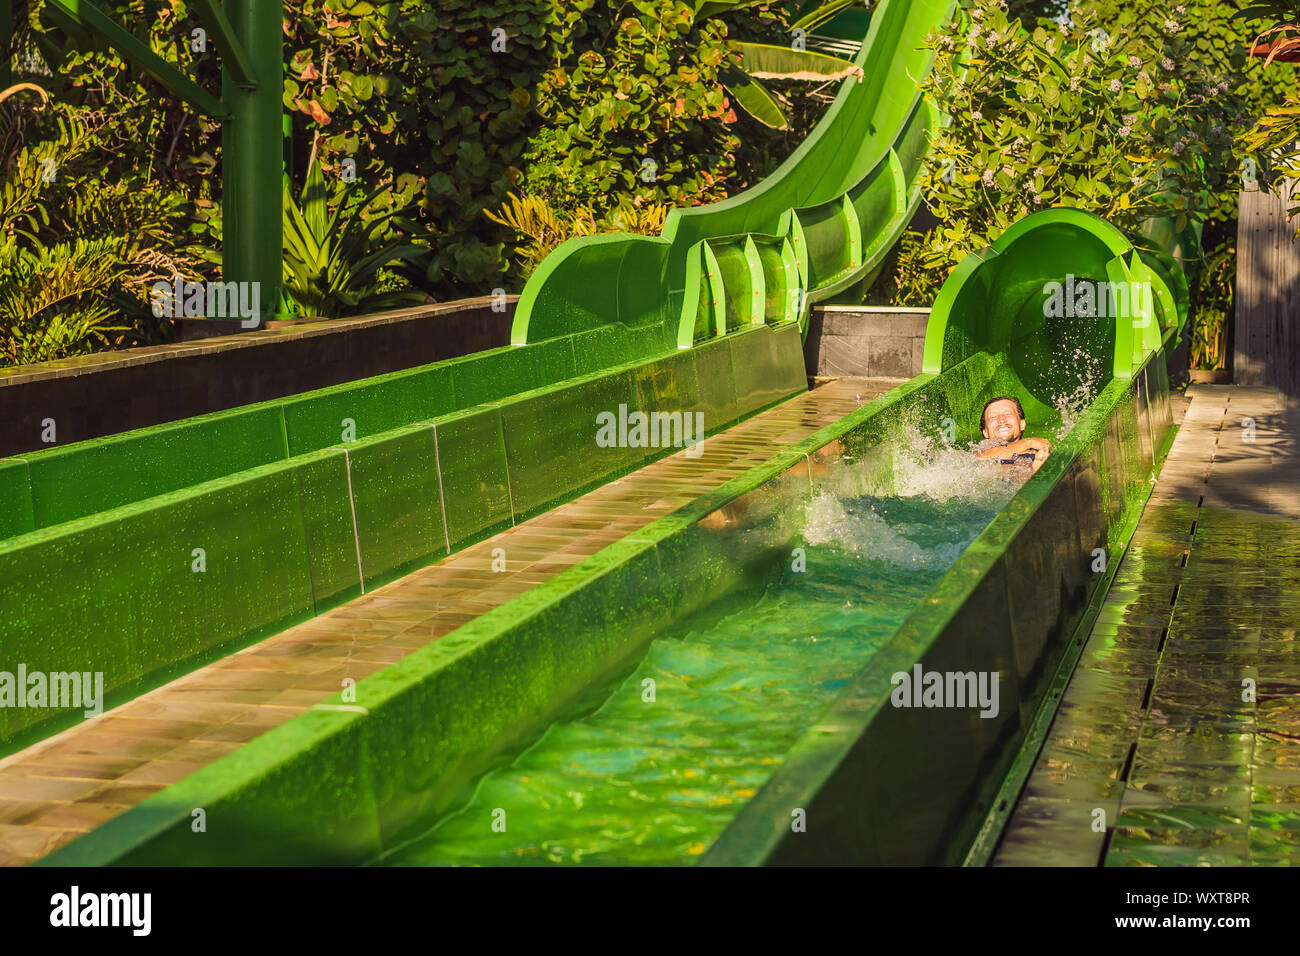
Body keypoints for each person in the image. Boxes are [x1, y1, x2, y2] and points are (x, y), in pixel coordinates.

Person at [973, 396, 1051, 475]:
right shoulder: (976, 460)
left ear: (1022, 424)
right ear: (985, 432)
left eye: (1008, 414)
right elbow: (980, 458)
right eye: (993, 417)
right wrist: (1029, 442)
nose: (1002, 419)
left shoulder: (1040, 456)